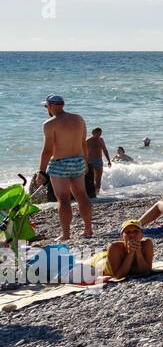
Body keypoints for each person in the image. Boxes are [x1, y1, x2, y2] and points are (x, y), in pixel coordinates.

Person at [38, 95, 92, 241]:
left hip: (60, 163)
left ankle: (66, 234)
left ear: (50, 106)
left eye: (46, 107)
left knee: (63, 199)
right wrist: (85, 162)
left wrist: (41, 171)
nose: (46, 109)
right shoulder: (78, 119)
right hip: (78, 160)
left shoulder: (49, 124)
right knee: (82, 194)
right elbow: (83, 143)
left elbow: (48, 150)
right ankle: (88, 229)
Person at [85, 127, 111, 196]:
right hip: (90, 162)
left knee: (98, 179)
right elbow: (83, 152)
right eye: (98, 134)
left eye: (100, 134)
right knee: (91, 179)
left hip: (99, 161)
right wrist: (84, 162)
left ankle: (97, 194)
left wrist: (108, 160)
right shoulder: (88, 141)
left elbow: (105, 150)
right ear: (93, 133)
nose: (99, 135)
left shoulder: (101, 140)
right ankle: (91, 193)